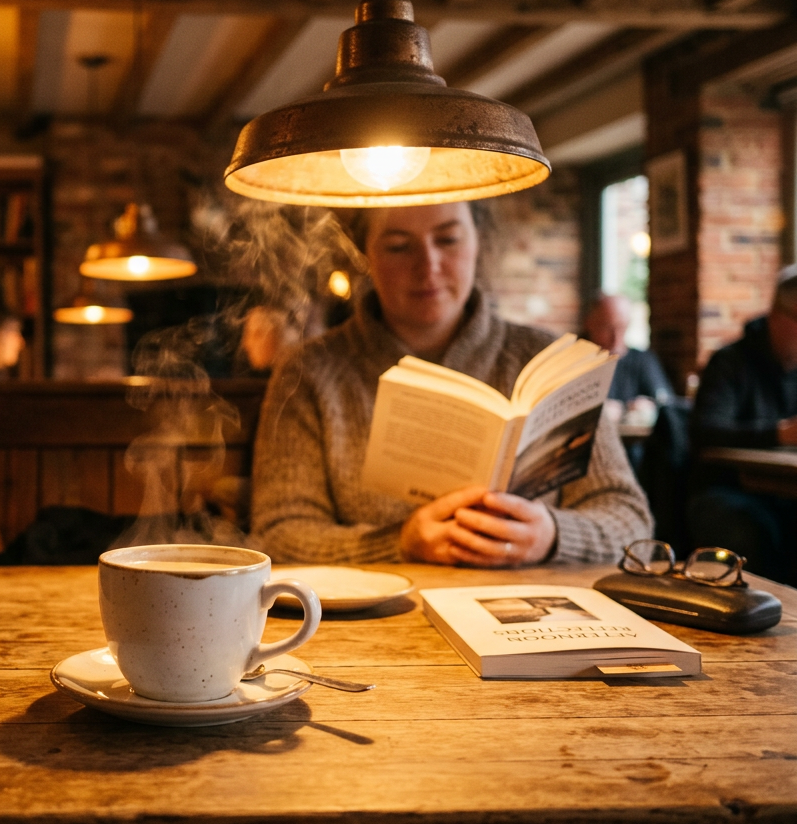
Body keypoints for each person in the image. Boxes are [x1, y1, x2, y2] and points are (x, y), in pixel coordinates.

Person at [251, 202, 652, 566]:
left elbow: (630, 520)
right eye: (397, 246)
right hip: (373, 629)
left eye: (448, 239)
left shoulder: (550, 362)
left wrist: (552, 535)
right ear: (364, 255)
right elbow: (279, 534)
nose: (428, 266)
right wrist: (398, 543)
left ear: (479, 241)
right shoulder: (308, 372)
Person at [687, 264, 797, 585]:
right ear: (779, 318)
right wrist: (779, 433)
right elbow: (705, 430)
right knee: (755, 529)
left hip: (786, 490)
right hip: (729, 485)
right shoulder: (730, 362)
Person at [583, 292, 674, 422]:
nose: (616, 338)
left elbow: (666, 402)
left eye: (622, 327)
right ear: (589, 323)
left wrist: (649, 406)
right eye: (608, 328)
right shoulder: (574, 362)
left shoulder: (643, 360)